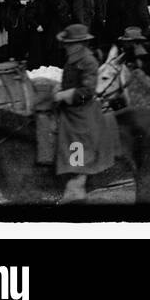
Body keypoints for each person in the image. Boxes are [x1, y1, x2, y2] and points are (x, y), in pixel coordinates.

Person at [53, 23, 118, 203]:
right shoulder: (73, 58)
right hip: (71, 105)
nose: (66, 46)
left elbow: (88, 92)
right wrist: (61, 89)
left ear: (80, 43)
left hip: (82, 110)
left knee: (76, 136)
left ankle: (78, 179)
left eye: (69, 43)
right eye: (66, 43)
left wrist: (66, 94)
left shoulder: (88, 61)